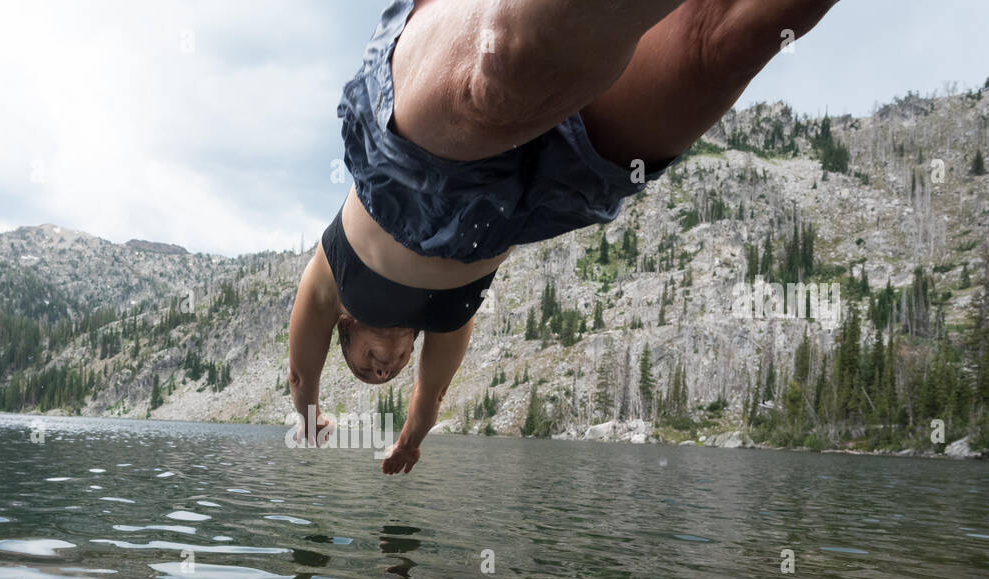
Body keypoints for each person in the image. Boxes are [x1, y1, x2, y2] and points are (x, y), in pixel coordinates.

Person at [287, 0, 840, 473]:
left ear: (347, 327)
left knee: (498, 74)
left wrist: (309, 414)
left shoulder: (332, 281)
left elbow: (298, 367)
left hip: (406, 168)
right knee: (720, 44)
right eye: (390, 371)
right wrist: (409, 440)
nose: (384, 369)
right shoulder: (446, 331)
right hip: (543, 199)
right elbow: (427, 404)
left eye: (364, 365)